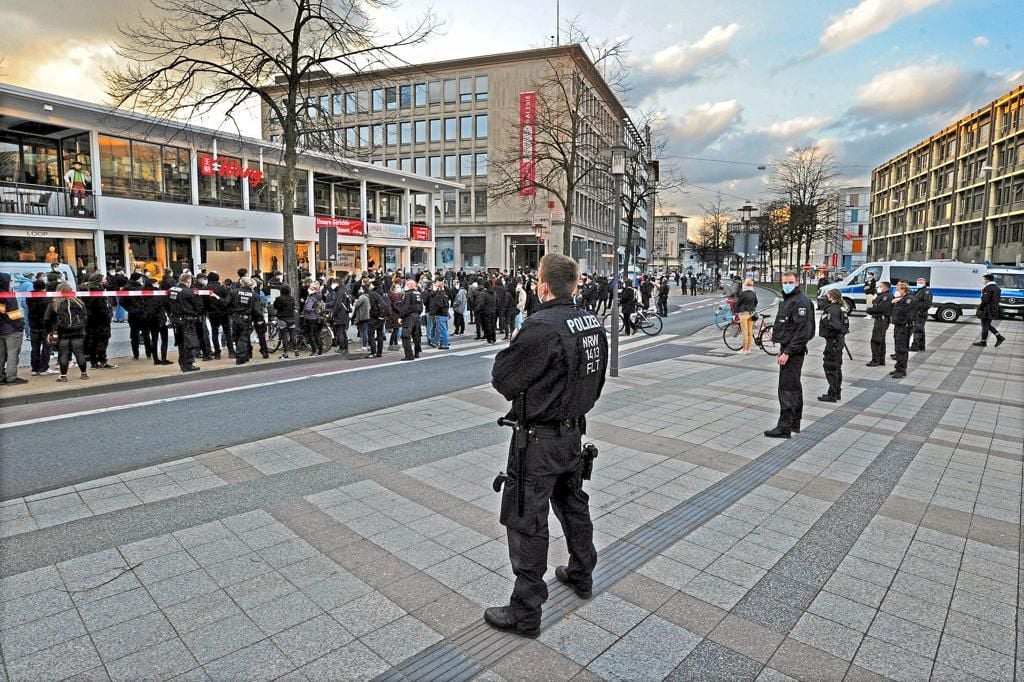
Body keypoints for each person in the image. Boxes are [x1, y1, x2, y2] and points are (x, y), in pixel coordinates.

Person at [484, 253, 608, 639]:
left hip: (537, 440)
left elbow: (503, 377)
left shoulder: (541, 326)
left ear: (542, 284)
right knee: (572, 503)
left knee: (527, 520)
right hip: (573, 433)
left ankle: (525, 612)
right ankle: (581, 572)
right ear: (574, 284)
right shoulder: (591, 323)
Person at [764, 271, 814, 439]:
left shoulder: (800, 301)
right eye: (785, 282)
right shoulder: (788, 299)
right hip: (789, 348)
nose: (787, 284)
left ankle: (784, 427)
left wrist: (787, 352)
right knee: (793, 387)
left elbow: (803, 332)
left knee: (787, 389)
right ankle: (794, 423)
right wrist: (783, 347)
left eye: (790, 282)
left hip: (794, 352)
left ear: (797, 282)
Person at [44, 282, 89, 382]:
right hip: (78, 332)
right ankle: (84, 374)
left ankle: (63, 376)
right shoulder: (79, 302)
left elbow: (47, 319)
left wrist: (50, 331)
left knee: (63, 354)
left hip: (62, 332)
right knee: (79, 353)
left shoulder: (54, 304)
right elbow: (85, 317)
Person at [818, 289, 847, 402]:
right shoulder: (840, 308)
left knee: (830, 367)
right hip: (838, 341)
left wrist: (826, 322)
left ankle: (833, 394)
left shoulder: (832, 310)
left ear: (831, 297)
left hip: (833, 341)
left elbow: (836, 326)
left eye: (827, 295)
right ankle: (835, 391)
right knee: (836, 367)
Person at [168, 273, 201, 372]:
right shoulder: (189, 292)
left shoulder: (171, 290)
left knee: (181, 342)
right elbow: (198, 306)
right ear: (188, 281)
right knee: (189, 343)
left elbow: (166, 303)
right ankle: (188, 364)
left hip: (176, 320)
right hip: (188, 319)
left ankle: (182, 363)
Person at [0, 273, 26, 385]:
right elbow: (14, 315)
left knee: (0, 355)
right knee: (12, 354)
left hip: (1, 329)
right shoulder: (8, 296)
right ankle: (11, 377)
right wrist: (21, 326)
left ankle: (1, 377)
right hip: (11, 330)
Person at [27, 279, 54, 376]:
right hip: (45, 325)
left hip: (33, 324)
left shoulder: (29, 296)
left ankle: (35, 368)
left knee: (35, 348)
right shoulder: (46, 297)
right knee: (47, 347)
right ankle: (44, 368)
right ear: (43, 287)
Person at [143, 278, 172, 366]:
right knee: (164, 339)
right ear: (153, 284)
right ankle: (164, 359)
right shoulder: (158, 293)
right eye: (156, 283)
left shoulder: (143, 293)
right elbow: (166, 304)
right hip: (160, 318)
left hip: (150, 319)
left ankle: (155, 359)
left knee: (154, 339)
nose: (157, 284)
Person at [973, 273, 1005, 348]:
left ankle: (983, 342)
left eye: (984, 279)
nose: (984, 281)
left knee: (985, 326)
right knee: (987, 325)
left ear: (988, 280)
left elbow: (985, 300)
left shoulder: (987, 288)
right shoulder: (997, 288)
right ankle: (999, 337)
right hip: (993, 309)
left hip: (987, 310)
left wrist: (979, 309)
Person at [889, 282, 914, 379]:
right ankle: (898, 367)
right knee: (898, 348)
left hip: (904, 327)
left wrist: (897, 302)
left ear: (903, 290)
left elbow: (902, 312)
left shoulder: (909, 299)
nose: (896, 291)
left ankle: (901, 370)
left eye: (898, 289)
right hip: (899, 326)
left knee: (901, 349)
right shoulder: (904, 299)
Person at [206, 272, 233, 359]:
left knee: (214, 333)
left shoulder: (205, 288)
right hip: (224, 313)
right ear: (217, 279)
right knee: (227, 332)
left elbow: (203, 302)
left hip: (212, 313)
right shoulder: (223, 288)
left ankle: (217, 353)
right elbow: (227, 301)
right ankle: (231, 351)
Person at [865, 281, 892, 367]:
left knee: (876, 340)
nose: (878, 288)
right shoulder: (882, 296)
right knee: (881, 340)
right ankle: (881, 360)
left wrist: (869, 310)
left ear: (885, 287)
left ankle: (876, 360)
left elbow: (880, 308)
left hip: (882, 320)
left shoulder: (886, 297)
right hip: (880, 320)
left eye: (880, 286)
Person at [399, 279, 423, 361]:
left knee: (406, 336)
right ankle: (417, 352)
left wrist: (401, 316)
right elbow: (421, 307)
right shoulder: (418, 293)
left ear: (409, 286)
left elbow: (405, 307)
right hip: (417, 316)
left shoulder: (408, 294)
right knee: (417, 336)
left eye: (406, 285)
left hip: (409, 317)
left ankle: (409, 355)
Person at [300, 280, 325, 356]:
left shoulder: (312, 297)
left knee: (310, 335)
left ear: (313, 289)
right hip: (318, 318)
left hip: (310, 318)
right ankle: (320, 349)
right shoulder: (319, 295)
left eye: (310, 288)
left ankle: (314, 350)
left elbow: (308, 308)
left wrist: (305, 307)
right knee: (317, 334)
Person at [273, 285, 298, 358]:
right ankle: (296, 351)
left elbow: (275, 307)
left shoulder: (279, 298)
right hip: (291, 318)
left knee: (284, 336)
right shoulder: (292, 298)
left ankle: (286, 353)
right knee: (293, 334)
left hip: (282, 319)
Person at [735, 279, 758, 354]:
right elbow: (756, 302)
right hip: (751, 313)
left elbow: (738, 303)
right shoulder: (753, 293)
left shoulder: (743, 293)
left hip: (744, 314)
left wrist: (736, 309)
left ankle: (744, 350)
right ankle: (749, 349)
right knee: (750, 332)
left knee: (745, 332)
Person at [910, 277, 932, 352]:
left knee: (917, 330)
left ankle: (915, 346)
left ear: (925, 283)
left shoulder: (926, 292)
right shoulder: (918, 291)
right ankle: (921, 346)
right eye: (918, 282)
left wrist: (916, 305)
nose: (919, 284)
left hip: (920, 313)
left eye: (921, 282)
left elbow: (927, 304)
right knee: (920, 330)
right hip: (917, 313)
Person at [428, 281, 450, 350]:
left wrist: (433, 312)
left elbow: (438, 305)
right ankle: (434, 342)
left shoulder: (438, 295)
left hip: (440, 314)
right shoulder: (444, 294)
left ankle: (444, 344)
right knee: (438, 329)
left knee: (442, 330)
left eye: (435, 286)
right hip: (444, 313)